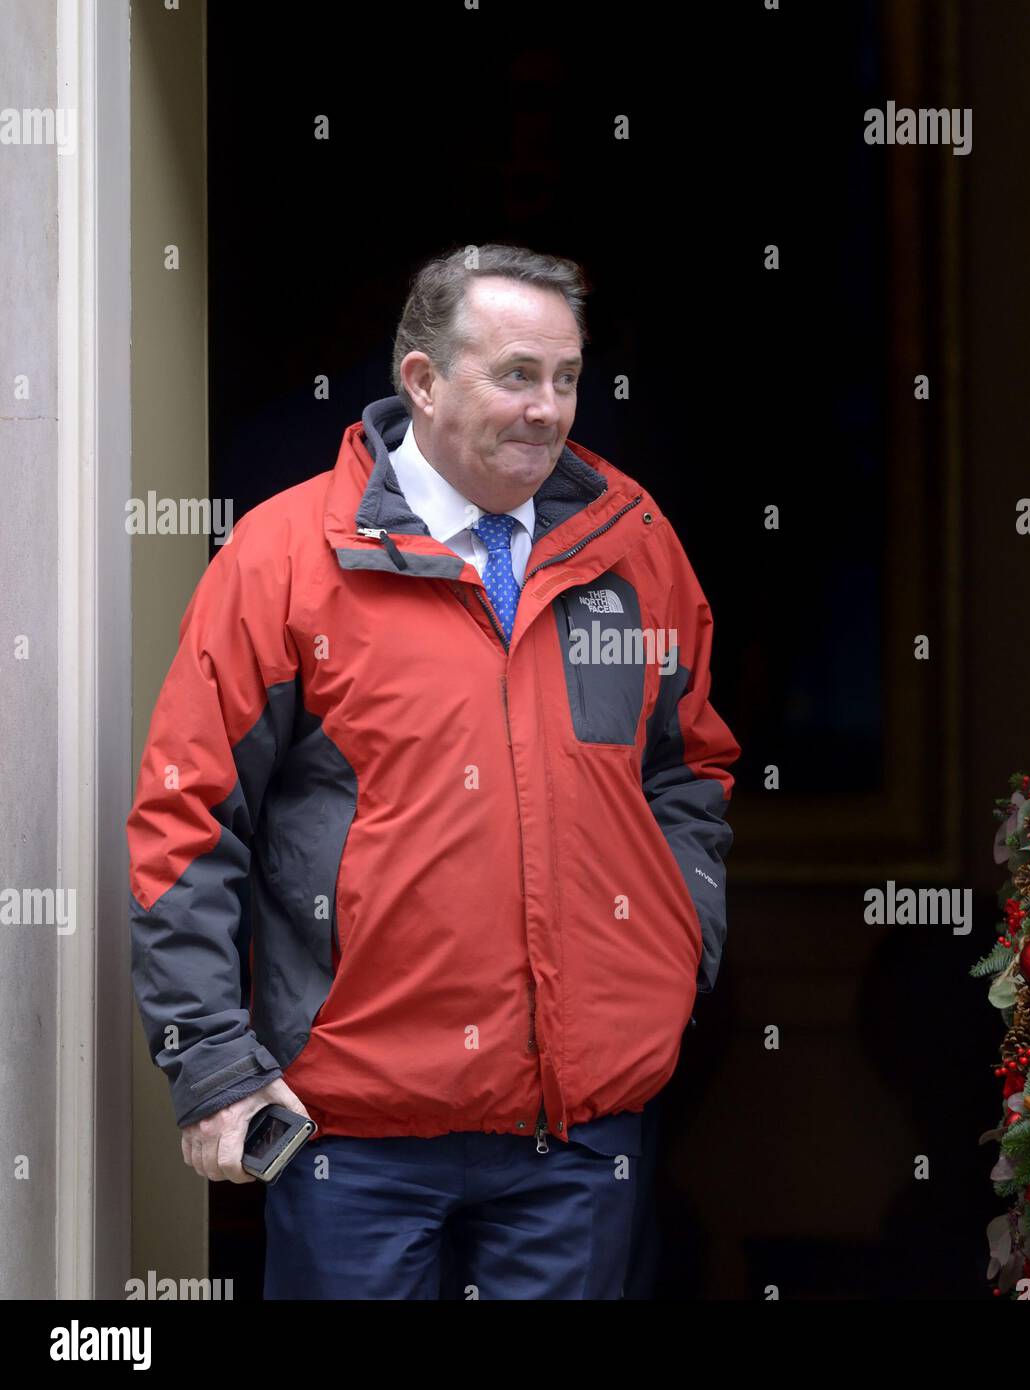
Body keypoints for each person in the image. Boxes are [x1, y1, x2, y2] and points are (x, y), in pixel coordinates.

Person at [127, 241, 740, 1300]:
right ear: (420, 381)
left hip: (578, 1127)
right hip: (354, 1128)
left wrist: (673, 950)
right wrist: (214, 1064)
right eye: (515, 375)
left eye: (565, 377)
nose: (548, 408)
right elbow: (186, 820)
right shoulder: (281, 559)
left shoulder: (632, 545)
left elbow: (688, 771)